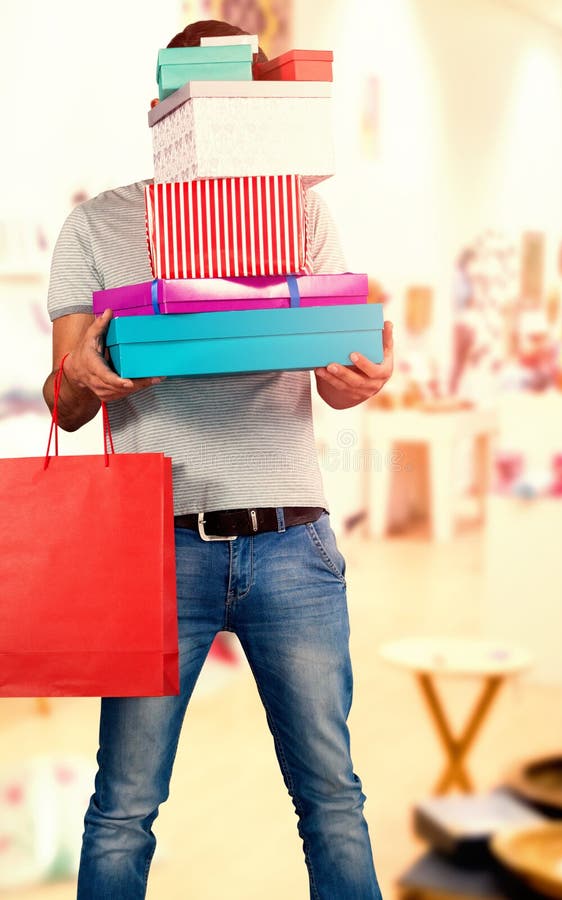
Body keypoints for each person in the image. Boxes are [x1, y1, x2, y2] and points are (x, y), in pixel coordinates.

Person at [43, 19, 393, 900]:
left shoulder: (302, 211)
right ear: (164, 112)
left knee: (332, 799)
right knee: (124, 805)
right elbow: (64, 403)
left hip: (292, 543)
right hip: (155, 546)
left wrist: (356, 384)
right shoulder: (96, 227)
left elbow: (334, 373)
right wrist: (82, 374)